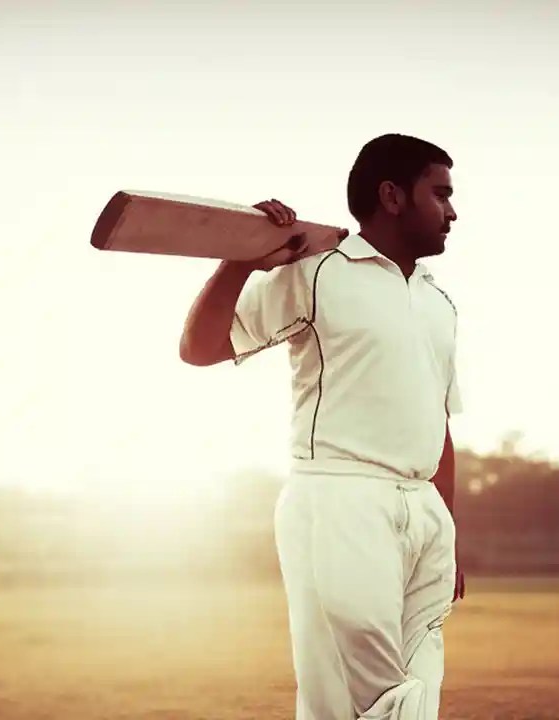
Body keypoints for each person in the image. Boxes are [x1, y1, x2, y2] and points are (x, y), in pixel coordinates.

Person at [179, 133, 464, 720]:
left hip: (425, 511)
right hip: (340, 495)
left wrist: (450, 529)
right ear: (392, 196)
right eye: (440, 194)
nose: (452, 211)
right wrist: (241, 258)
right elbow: (200, 347)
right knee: (355, 694)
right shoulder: (317, 273)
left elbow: (438, 422)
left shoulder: (439, 302)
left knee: (418, 684)